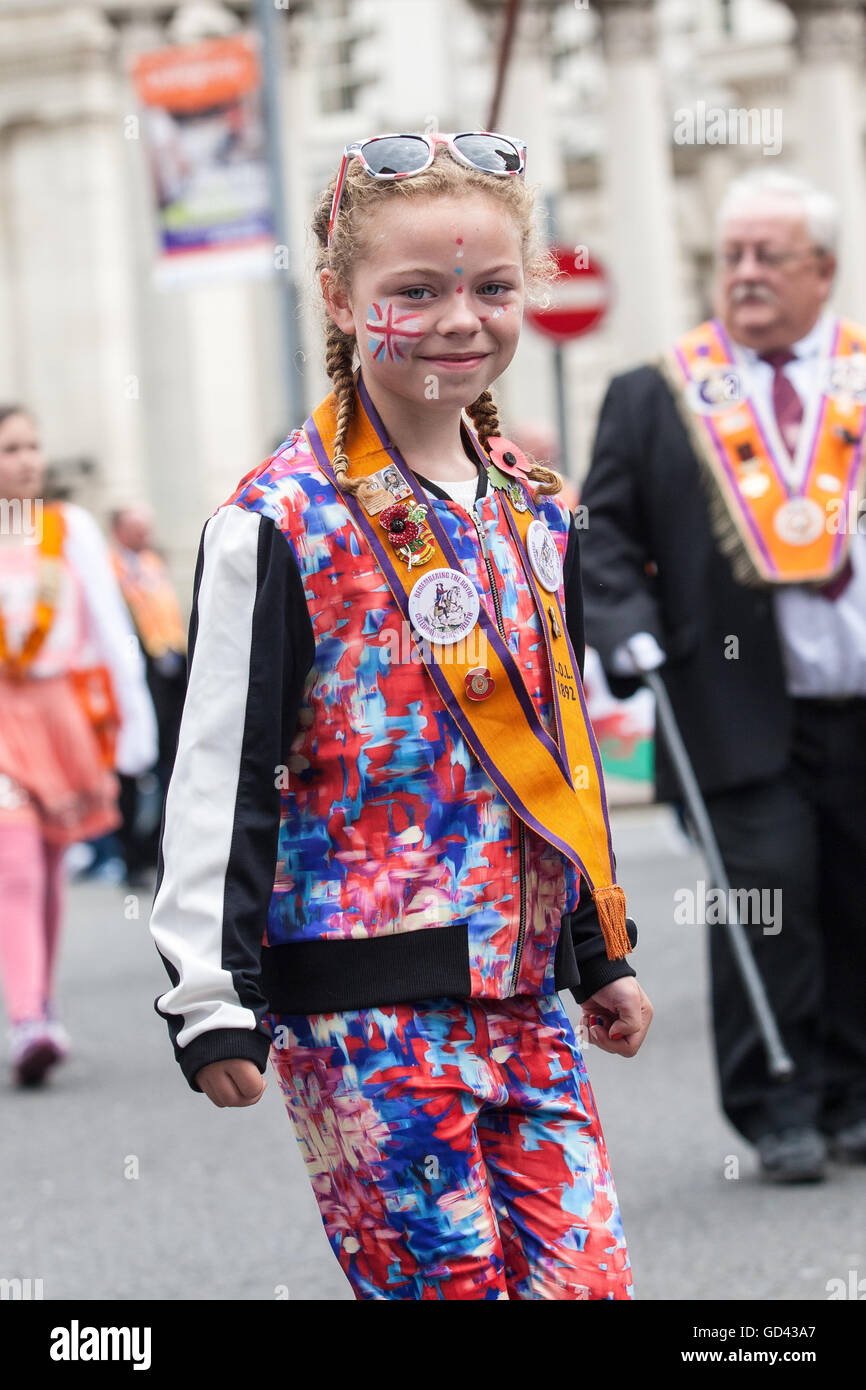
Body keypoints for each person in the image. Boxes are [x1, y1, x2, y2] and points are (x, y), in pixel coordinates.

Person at [149, 131, 652, 1300]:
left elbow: (554, 748)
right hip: (362, 1004)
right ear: (338, 296)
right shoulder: (274, 519)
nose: (456, 321)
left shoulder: (534, 506)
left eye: (491, 287)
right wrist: (209, 996)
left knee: (591, 1286)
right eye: (411, 292)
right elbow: (223, 764)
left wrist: (595, 945)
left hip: (525, 991)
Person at [580, 169, 866, 1182]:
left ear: (820, 270)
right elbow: (601, 533)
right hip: (731, 700)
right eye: (729, 256)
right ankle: (775, 1105)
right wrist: (623, 626)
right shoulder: (653, 393)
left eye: (765, 256)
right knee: (767, 897)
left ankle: (849, 1091)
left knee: (850, 894)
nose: (741, 274)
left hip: (855, 699)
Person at [0, 405, 157, 1084]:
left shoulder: (70, 529)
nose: (27, 460)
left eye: (32, 445)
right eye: (10, 448)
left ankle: (40, 995)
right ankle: (28, 1015)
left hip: (59, 712)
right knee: (15, 862)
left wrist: (136, 720)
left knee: (50, 861)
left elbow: (110, 627)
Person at [109, 504, 187, 886]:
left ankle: (160, 849)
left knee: (172, 764)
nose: (146, 536)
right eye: (138, 530)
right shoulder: (110, 568)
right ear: (119, 531)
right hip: (135, 676)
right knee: (135, 767)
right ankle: (131, 858)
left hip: (168, 672)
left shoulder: (152, 563)